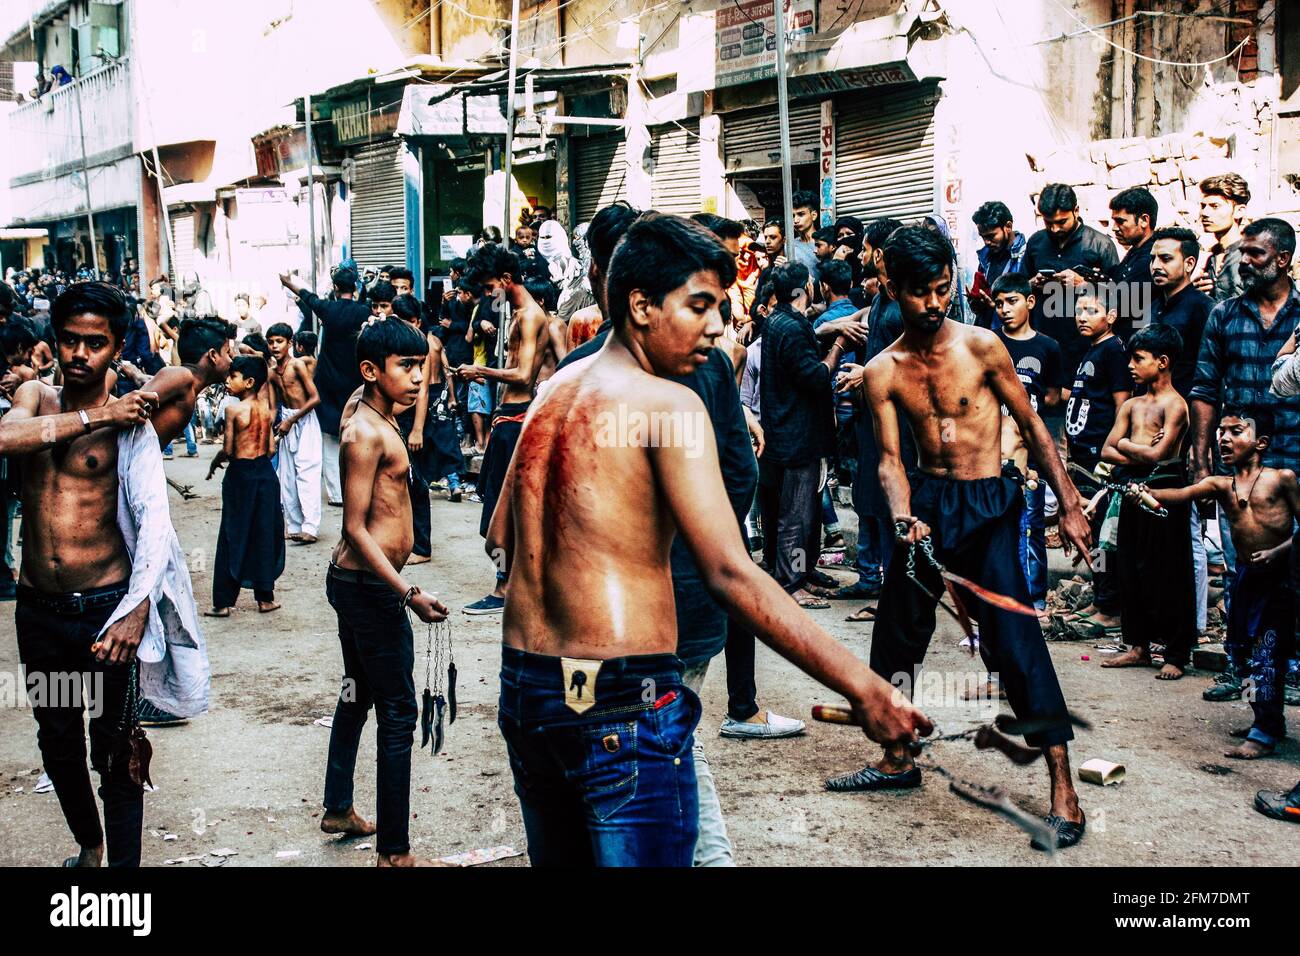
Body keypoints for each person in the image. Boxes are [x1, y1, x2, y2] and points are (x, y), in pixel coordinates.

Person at [486, 212, 932, 867]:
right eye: (699, 307)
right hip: (619, 695)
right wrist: (865, 687)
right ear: (640, 305)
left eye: (721, 308)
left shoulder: (555, 392)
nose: (720, 328)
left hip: (529, 691)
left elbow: (502, 532)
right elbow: (730, 571)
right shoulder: (666, 404)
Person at [833, 226, 1092, 852]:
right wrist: (902, 518)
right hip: (927, 508)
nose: (933, 303)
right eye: (919, 292)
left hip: (989, 504)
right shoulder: (881, 370)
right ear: (893, 289)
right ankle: (898, 758)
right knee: (896, 632)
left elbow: (1031, 424)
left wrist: (1070, 505)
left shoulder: (983, 347)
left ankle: (1064, 789)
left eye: (943, 289)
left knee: (1015, 641)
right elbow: (891, 460)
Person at [0, 282, 165, 867]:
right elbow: (3, 438)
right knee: (57, 740)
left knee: (116, 748)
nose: (80, 354)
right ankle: (90, 847)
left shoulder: (134, 417)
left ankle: (122, 878)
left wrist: (137, 612)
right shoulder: (33, 398)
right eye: (69, 340)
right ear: (54, 342)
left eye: (95, 343)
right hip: (39, 610)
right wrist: (95, 414)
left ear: (116, 346)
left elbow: (154, 524)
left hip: (104, 611)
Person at [321, 318, 450, 867]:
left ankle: (338, 808)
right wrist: (408, 592)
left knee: (358, 691)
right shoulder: (363, 434)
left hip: (362, 585)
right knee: (398, 712)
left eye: (420, 365)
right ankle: (394, 853)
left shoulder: (378, 412)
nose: (419, 377)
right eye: (406, 367)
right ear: (373, 372)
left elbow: (357, 387)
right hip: (369, 589)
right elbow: (355, 528)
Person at [1134, 407, 1297, 756]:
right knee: (1244, 653)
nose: (1223, 438)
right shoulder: (1221, 485)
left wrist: (1278, 552)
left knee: (1267, 654)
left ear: (1260, 442)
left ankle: (1264, 732)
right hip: (1246, 580)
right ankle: (1266, 720)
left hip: (1278, 582)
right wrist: (1144, 492)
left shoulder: (1282, 479)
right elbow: (1180, 495)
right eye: (1222, 432)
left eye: (1236, 431)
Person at [1189, 219, 1300, 703]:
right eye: (1244, 252)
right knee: (1243, 565)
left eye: (1255, 253)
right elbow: (1205, 387)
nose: (1245, 261)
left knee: (1296, 566)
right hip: (1241, 467)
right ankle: (1240, 667)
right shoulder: (1224, 315)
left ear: (1283, 259)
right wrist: (1199, 454)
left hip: (1296, 456)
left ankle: (1289, 670)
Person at [456, 243, 551, 615]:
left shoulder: (529, 316)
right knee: (499, 505)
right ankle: (511, 583)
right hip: (507, 416)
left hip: (516, 418)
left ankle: (503, 588)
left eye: (488, 286)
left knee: (503, 509)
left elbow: (524, 374)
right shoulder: (518, 314)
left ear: (506, 280)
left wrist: (479, 371)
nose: (486, 294)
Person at [1099, 324, 1194, 678]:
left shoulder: (1177, 406)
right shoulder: (1131, 405)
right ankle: (1138, 646)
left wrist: (1128, 447)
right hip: (1131, 492)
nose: (1131, 366)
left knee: (1168, 570)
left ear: (1163, 362)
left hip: (1165, 492)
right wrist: (1133, 448)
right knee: (1130, 567)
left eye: (1139, 359)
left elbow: (1161, 457)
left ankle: (1175, 652)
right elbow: (1108, 449)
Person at [758, 262, 851, 609]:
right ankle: (792, 582)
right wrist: (839, 345)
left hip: (791, 434)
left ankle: (804, 572)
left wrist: (828, 329)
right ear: (805, 289)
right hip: (797, 437)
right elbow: (814, 376)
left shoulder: (780, 322)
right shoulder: (791, 329)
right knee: (795, 517)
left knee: (806, 513)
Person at [1150, 225, 1217, 636]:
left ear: (1190, 263)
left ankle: (1193, 624)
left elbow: (1205, 378)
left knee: (1190, 527)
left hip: (1188, 432)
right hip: (1161, 431)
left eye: (1166, 258)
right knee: (1166, 527)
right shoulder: (1159, 306)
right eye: (1153, 258)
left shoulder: (1200, 308)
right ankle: (1167, 621)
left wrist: (1197, 444)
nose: (1156, 265)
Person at [1059, 290, 1130, 632]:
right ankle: (1100, 597)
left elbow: (1122, 405)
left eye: (1092, 310)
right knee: (1092, 535)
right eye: (1079, 311)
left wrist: (1114, 456)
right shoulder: (1092, 350)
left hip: (1100, 462)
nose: (1082, 316)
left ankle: (1110, 606)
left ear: (1112, 315)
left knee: (1104, 536)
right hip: (1082, 459)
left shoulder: (1114, 351)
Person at [993, 273, 1066, 610]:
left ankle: (1034, 597)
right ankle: (998, 598)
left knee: (1031, 526)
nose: (1005, 309)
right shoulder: (989, 343)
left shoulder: (1048, 347)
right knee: (995, 528)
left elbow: (1051, 399)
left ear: (1030, 301)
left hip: (1029, 454)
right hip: (992, 451)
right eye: (999, 303)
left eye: (1012, 301)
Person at [282, 268, 370, 507]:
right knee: (354, 433)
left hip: (329, 380)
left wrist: (289, 283)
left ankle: (337, 494)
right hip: (356, 380)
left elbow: (308, 297)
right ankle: (358, 486)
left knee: (330, 439)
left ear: (335, 288)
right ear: (355, 288)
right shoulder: (364, 311)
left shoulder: (328, 309)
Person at [204, 356, 284, 616]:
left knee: (232, 534)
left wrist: (215, 462)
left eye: (233, 376)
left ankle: (223, 602)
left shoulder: (234, 410)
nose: (228, 381)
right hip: (265, 474)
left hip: (241, 474)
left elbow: (228, 449)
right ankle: (265, 598)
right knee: (263, 533)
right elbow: (271, 448)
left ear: (249, 382)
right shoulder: (266, 409)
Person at [391, 293, 462, 571]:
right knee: (405, 484)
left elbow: (421, 390)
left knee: (417, 484)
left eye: (404, 319)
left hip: (417, 419)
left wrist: (417, 429)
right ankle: (408, 541)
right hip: (407, 417)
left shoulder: (425, 343)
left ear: (416, 320)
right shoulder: (405, 343)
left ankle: (421, 547)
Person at [1024, 183, 1121, 376]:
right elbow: (1019, 287)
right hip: (1042, 340)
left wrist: (1083, 285)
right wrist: (1032, 284)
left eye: (1061, 222)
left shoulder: (1100, 245)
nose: (1054, 228)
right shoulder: (1036, 242)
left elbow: (1119, 295)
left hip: (1084, 345)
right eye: (1048, 222)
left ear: (1076, 211)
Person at [266, 322, 322, 545]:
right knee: (287, 477)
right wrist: (271, 430)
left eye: (279, 341)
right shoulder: (271, 373)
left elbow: (315, 398)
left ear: (290, 343)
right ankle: (295, 525)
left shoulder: (297, 365)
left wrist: (291, 420)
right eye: (271, 342)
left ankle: (311, 527)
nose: (274, 346)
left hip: (304, 419)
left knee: (306, 472)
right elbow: (272, 408)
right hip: (286, 423)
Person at [1107, 186, 1158, 341]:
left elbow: (1122, 301)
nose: (1115, 228)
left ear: (1144, 220)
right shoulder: (1136, 250)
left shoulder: (1152, 256)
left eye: (1121, 221)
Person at [968, 201, 1027, 328]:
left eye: (991, 236)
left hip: (1013, 335)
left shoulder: (1026, 256)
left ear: (1008, 226)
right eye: (982, 237)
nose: (986, 242)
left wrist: (996, 306)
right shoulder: (985, 258)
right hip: (987, 332)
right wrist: (976, 303)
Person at [1194, 173, 1251, 302]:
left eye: (1215, 206)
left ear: (1239, 211)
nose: (1205, 213)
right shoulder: (1212, 259)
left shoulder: (1252, 257)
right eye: (1203, 206)